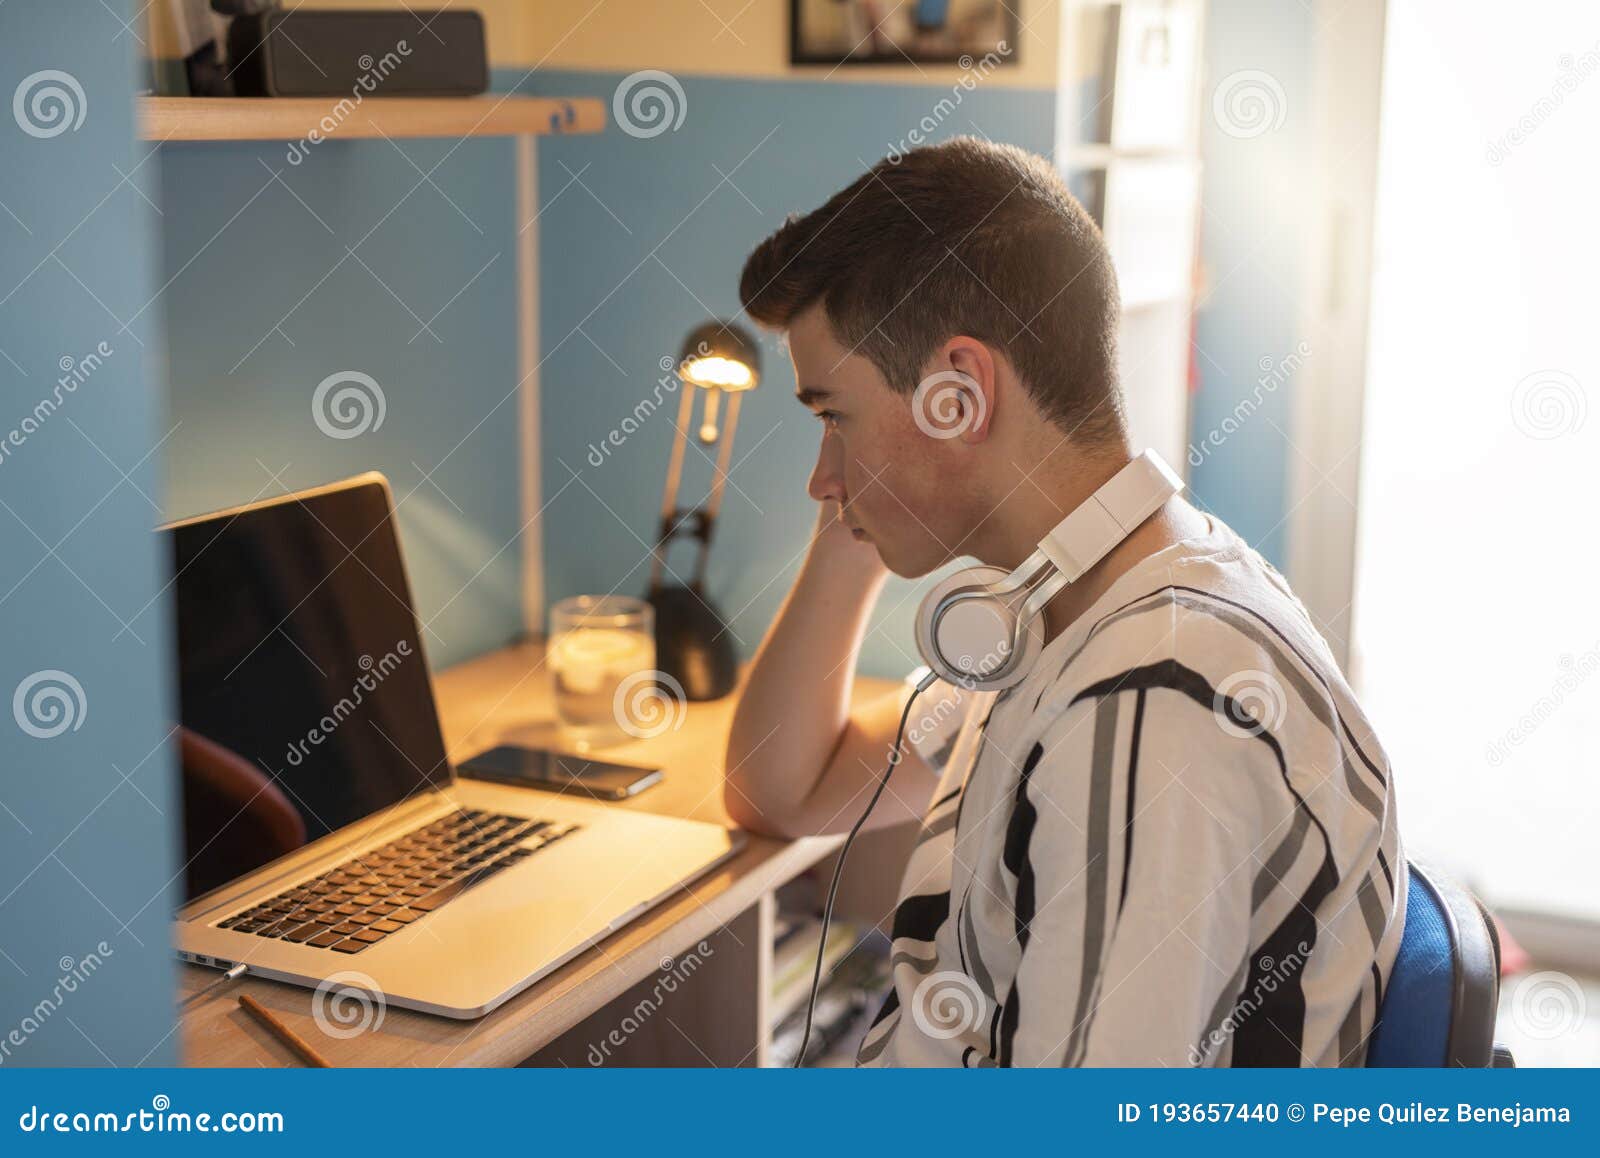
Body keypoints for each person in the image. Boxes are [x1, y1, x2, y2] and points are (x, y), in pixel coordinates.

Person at [723, 137, 1404, 1067]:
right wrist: (864, 512)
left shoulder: (1147, 701)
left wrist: (878, 483)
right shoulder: (1067, 611)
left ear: (959, 393)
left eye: (832, 415)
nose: (818, 475)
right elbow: (782, 790)